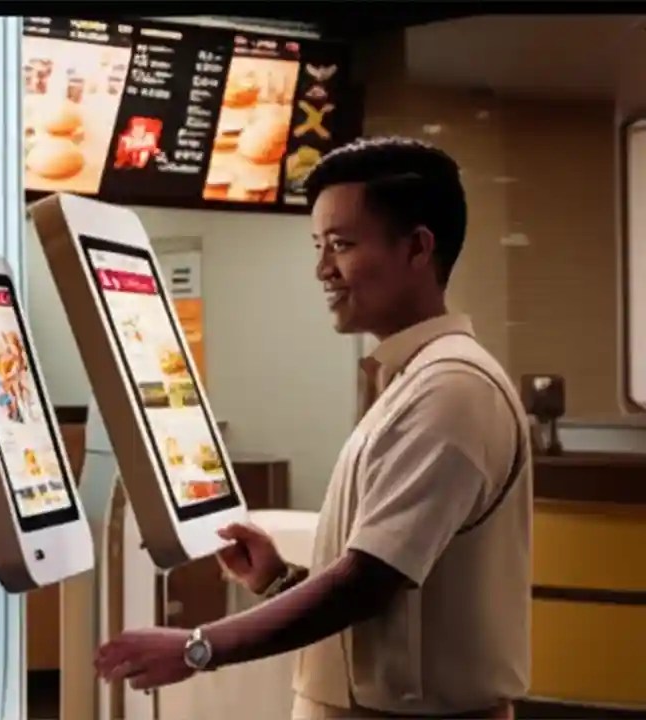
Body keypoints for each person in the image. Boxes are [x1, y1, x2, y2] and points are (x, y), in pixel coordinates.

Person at [94, 136, 532, 719]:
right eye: (319, 246)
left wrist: (198, 647)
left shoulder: (453, 389)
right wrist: (280, 580)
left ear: (418, 248)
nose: (323, 268)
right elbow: (390, 601)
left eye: (342, 245)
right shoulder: (412, 379)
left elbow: (367, 583)